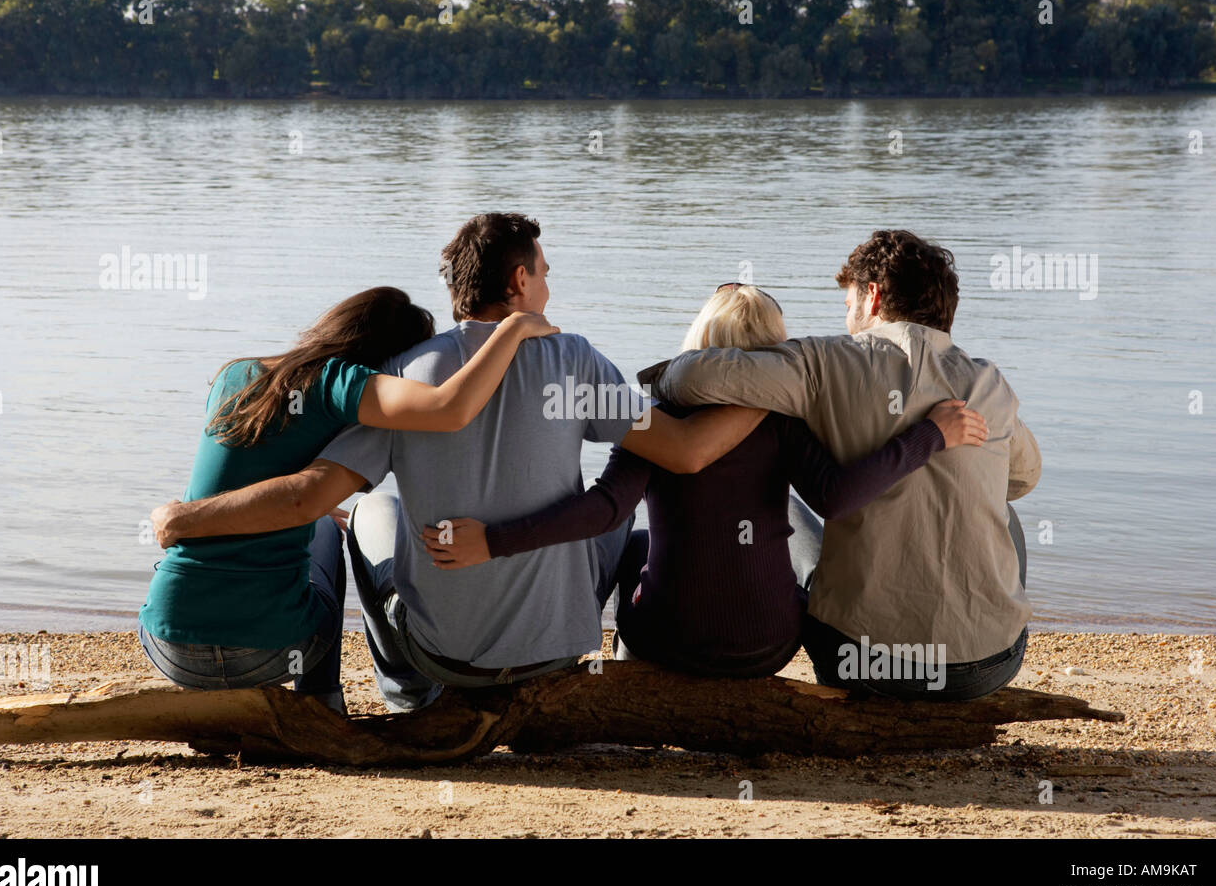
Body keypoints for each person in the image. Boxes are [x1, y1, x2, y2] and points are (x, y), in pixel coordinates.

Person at [150, 214, 765, 712]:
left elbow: (311, 492)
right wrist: (773, 388)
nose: (550, 289)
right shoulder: (576, 360)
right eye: (545, 275)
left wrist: (188, 517)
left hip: (445, 656)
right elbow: (686, 452)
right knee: (619, 531)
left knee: (367, 513)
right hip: (555, 651)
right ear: (520, 282)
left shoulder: (404, 371)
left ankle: (407, 695)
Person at [421, 284, 989, 679]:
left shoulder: (659, 415)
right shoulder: (786, 419)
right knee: (795, 527)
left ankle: (607, 657)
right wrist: (927, 437)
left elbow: (605, 510)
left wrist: (492, 541)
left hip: (669, 644)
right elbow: (838, 497)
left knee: (630, 540)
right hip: (768, 645)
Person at [642, 231, 1042, 701]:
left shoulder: (824, 364)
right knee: (1002, 508)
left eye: (847, 301)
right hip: (990, 665)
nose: (847, 316)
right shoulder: (990, 383)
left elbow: (691, 376)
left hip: (867, 664)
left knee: (793, 512)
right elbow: (1023, 477)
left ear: (871, 296)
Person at [141, 286, 560, 714]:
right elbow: (448, 407)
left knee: (321, 517)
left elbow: (242, 475)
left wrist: (186, 518)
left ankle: (307, 694)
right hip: (264, 652)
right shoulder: (337, 381)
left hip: (169, 646)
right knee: (325, 526)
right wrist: (511, 331)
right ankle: (319, 698)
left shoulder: (236, 373)